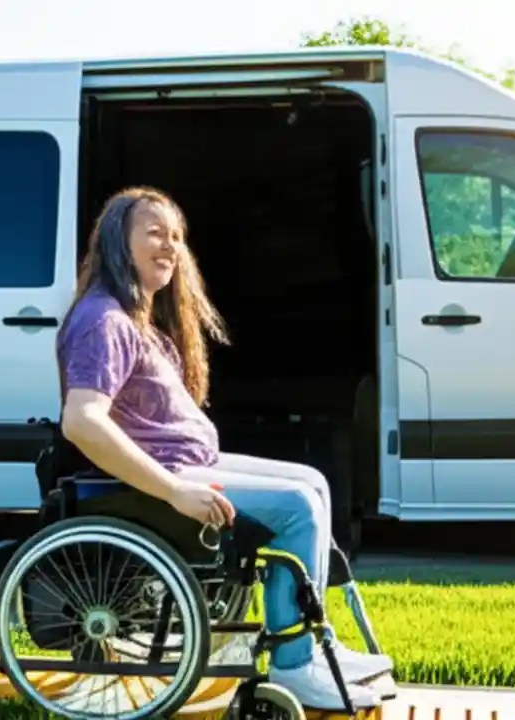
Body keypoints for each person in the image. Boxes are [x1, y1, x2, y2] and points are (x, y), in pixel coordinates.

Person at [57, 186, 394, 710]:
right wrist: (174, 492)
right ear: (118, 241)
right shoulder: (104, 321)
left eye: (176, 237)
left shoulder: (132, 318)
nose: (170, 246)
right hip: (162, 481)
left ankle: (308, 639)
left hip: (188, 463)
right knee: (298, 507)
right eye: (154, 233)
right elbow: (81, 421)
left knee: (314, 482)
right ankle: (295, 663)